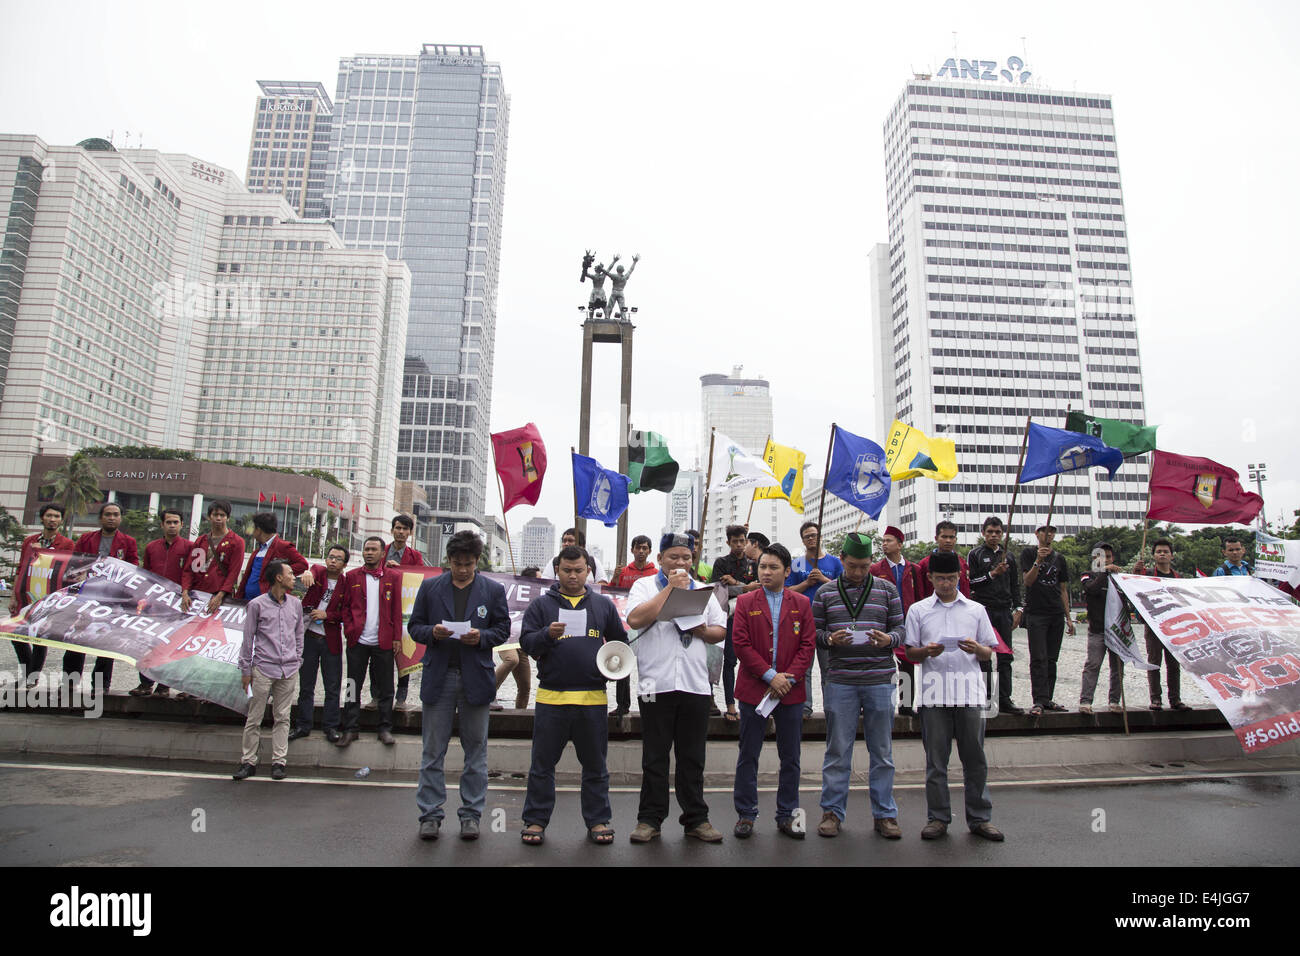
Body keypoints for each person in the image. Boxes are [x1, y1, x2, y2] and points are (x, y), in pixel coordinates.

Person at [518, 546, 627, 845]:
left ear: (589, 570)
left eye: (579, 570)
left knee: (595, 766)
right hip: (551, 698)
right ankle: (536, 820)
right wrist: (546, 636)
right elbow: (527, 643)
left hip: (592, 700)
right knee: (542, 766)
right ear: (557, 570)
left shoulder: (603, 605)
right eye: (567, 570)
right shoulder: (542, 606)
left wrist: (613, 667)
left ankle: (598, 820)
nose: (573, 576)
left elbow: (620, 642)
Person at [407, 531, 511, 841]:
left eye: (467, 564)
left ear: (477, 561)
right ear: (448, 561)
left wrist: (482, 638)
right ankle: (430, 814)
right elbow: (414, 627)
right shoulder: (430, 587)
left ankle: (471, 814)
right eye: (456, 563)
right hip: (440, 675)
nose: (462, 569)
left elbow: (503, 629)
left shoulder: (492, 590)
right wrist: (432, 633)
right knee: (432, 750)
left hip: (476, 677)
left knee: (476, 751)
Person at [625, 532, 728, 843]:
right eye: (674, 557)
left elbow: (720, 631)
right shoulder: (644, 586)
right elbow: (634, 619)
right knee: (655, 756)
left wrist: (701, 629)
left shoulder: (705, 592)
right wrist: (670, 590)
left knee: (692, 757)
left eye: (686, 557)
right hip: (655, 683)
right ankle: (649, 820)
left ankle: (696, 818)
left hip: (696, 685)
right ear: (660, 559)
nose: (681, 562)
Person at [904, 551, 1003, 841]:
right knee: (936, 761)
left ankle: (980, 818)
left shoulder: (975, 610)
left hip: (969, 692)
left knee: (975, 759)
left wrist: (977, 649)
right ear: (930, 578)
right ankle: (938, 818)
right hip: (934, 695)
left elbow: (990, 651)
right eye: (940, 578)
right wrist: (926, 652)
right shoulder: (919, 611)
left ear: (959, 578)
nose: (946, 583)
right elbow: (910, 652)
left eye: (950, 578)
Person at [814, 531, 906, 839]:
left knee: (882, 751)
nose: (858, 572)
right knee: (838, 750)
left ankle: (885, 814)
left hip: (880, 678)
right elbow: (813, 633)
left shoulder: (887, 590)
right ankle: (832, 812)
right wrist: (829, 639)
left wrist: (888, 639)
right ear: (842, 560)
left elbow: (900, 628)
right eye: (853, 566)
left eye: (864, 566)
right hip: (840, 679)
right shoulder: (825, 593)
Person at [731, 543, 816, 839]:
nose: (765, 572)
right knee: (748, 753)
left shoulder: (801, 603)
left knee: (790, 756)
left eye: (772, 568)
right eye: (762, 567)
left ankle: (787, 813)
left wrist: (787, 678)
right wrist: (770, 676)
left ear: (787, 571)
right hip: (755, 689)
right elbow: (740, 644)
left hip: (790, 692)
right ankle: (746, 813)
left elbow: (808, 645)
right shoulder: (745, 602)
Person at [232, 560, 305, 781]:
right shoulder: (257, 605)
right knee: (254, 717)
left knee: (283, 716)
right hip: (263, 667)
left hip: (288, 669)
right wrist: (246, 669)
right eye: (290, 574)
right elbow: (248, 639)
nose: (294, 577)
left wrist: (297, 658)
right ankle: (248, 761)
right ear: (278, 578)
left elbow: (299, 634)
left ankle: (279, 762)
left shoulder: (295, 604)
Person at [336, 537, 403, 748]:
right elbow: (345, 607)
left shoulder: (393, 577)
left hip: (383, 640)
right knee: (352, 685)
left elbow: (397, 610)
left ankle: (384, 728)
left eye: (374, 549)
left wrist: (396, 638)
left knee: (386, 687)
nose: (369, 553)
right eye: (366, 549)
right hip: (358, 640)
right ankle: (350, 728)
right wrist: (349, 629)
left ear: (383, 553)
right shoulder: (351, 576)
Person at [64, 502, 139, 686]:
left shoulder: (129, 542)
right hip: (86, 597)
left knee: (105, 643)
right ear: (100, 518)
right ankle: (69, 682)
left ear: (120, 518)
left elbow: (134, 570)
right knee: (75, 639)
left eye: (115, 514)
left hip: (112, 600)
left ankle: (101, 685)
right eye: (108, 514)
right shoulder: (86, 539)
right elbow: (74, 565)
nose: (111, 518)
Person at [8, 504, 73, 687]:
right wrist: (13, 596)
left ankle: (32, 677)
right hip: (26, 595)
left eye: (57, 516)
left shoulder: (66, 544)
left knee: (39, 637)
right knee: (17, 635)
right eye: (49, 516)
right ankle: (28, 672)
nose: (52, 519)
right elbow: (21, 569)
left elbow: (65, 571)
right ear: (42, 518)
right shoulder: (29, 541)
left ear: (61, 520)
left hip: (48, 597)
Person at [291, 544, 349, 742]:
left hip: (330, 640)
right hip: (309, 638)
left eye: (338, 558)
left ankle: (331, 726)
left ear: (345, 564)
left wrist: (328, 615)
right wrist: (307, 572)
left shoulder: (345, 584)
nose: (333, 561)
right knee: (306, 685)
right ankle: (303, 725)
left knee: (332, 686)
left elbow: (346, 613)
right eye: (331, 557)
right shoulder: (318, 573)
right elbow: (312, 569)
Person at [785, 520, 843, 717]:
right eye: (807, 536)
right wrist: (807, 583)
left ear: (820, 536)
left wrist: (824, 580)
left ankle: (831, 707)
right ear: (802, 540)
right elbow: (788, 590)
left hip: (828, 621)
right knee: (804, 667)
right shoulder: (797, 564)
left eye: (814, 535)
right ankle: (806, 707)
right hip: (803, 620)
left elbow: (844, 588)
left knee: (829, 668)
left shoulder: (834, 562)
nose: (811, 539)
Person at [966, 516, 1023, 714]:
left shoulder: (1009, 556)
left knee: (1006, 656)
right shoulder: (975, 554)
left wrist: (1018, 608)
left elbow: (1015, 585)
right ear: (983, 533)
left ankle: (1005, 698)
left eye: (997, 532)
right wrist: (992, 574)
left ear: (1002, 534)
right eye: (990, 532)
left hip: (1004, 611)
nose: (993, 535)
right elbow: (971, 582)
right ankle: (987, 697)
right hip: (984, 610)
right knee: (984, 657)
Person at [133, 508, 191, 697]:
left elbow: (191, 575)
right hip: (153, 605)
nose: (172, 525)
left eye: (176, 522)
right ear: (162, 525)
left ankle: (164, 685)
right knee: (148, 644)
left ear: (182, 525)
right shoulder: (151, 548)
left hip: (177, 607)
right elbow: (145, 575)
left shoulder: (190, 548)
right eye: (169, 522)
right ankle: (145, 683)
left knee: (172, 646)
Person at [1020, 523, 1075, 716]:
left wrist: (1069, 617)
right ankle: (1038, 700)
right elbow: (1027, 581)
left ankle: (1047, 698)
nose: (1048, 534)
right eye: (1044, 531)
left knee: (1051, 659)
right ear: (1037, 534)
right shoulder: (1028, 553)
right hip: (1036, 613)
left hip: (1055, 613)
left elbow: (1062, 589)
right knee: (1038, 658)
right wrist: (1038, 560)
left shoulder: (1059, 558)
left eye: (1052, 531)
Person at [871, 525, 925, 714]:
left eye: (889, 541)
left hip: (908, 621)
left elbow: (921, 596)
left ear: (900, 544)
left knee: (907, 662)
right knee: (880, 662)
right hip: (883, 622)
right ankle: (878, 704)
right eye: (883, 541)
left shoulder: (914, 569)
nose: (884, 544)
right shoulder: (876, 569)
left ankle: (907, 704)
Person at [712, 524, 761, 723]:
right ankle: (730, 704)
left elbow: (759, 589)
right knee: (729, 661)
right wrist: (744, 588)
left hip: (752, 617)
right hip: (730, 618)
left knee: (754, 660)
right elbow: (718, 592)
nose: (739, 545)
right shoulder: (721, 563)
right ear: (728, 542)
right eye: (735, 542)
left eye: (742, 541)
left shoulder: (754, 564)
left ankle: (754, 701)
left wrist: (736, 584)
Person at [1133, 539, 1189, 711]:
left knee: (1174, 664)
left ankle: (1175, 699)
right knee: (1154, 662)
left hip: (1173, 626)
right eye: (1159, 551)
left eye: (1165, 551)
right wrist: (1136, 571)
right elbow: (1135, 586)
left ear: (1172, 555)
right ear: (1154, 555)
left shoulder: (1178, 577)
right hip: (1154, 624)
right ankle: (1156, 699)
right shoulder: (1147, 574)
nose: (1162, 554)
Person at [609, 534, 658, 718]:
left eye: (645, 548)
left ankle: (649, 703)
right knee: (623, 663)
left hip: (648, 624)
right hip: (626, 625)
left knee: (648, 665)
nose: (641, 551)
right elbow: (611, 593)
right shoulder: (623, 572)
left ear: (650, 551)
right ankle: (623, 705)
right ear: (632, 550)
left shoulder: (655, 573)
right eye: (638, 548)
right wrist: (614, 579)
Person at [1079, 543, 1125, 715]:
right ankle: (1085, 701)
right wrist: (1104, 573)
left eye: (1109, 556)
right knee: (1093, 664)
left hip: (1117, 631)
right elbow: (1091, 589)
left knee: (1118, 668)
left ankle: (1114, 700)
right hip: (1097, 630)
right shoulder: (1087, 575)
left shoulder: (1120, 579)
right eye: (1101, 556)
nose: (1105, 559)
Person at [386, 514, 425, 710]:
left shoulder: (415, 556)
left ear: (410, 533)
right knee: (381, 656)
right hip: (384, 610)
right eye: (398, 528)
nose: (400, 532)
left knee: (405, 653)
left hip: (405, 611)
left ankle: (401, 697)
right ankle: (380, 696)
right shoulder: (381, 552)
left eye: (404, 529)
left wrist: (400, 569)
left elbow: (420, 579)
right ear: (392, 529)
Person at [180, 499, 245, 617]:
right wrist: (185, 592)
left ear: (228, 518)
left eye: (222, 515)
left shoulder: (237, 542)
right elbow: (190, 569)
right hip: (197, 594)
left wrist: (220, 596)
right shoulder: (201, 541)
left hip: (218, 596)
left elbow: (233, 573)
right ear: (209, 517)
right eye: (215, 515)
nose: (219, 518)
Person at [235, 512, 312, 600]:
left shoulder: (283, 546)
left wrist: (279, 572)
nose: (252, 532)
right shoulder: (258, 550)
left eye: (254, 528)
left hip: (269, 602)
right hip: (246, 601)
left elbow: (303, 564)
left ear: (259, 530)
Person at [494, 567, 537, 711]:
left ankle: (520, 713)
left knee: (525, 686)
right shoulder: (512, 592)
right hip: (506, 639)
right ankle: (487, 693)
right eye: (539, 579)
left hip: (522, 644)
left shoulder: (539, 599)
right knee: (512, 660)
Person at [917, 520, 971, 599]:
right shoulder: (924, 564)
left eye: (951, 537)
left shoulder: (962, 563)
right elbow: (920, 591)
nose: (948, 541)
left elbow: (966, 589)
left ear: (955, 539)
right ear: (936, 538)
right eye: (944, 537)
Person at [604, 253, 639, 319]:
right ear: (623, 270)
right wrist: (634, 262)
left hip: (614, 291)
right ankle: (623, 317)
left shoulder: (615, 276)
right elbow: (631, 270)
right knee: (622, 307)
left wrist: (614, 261)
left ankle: (607, 316)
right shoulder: (625, 277)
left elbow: (606, 272)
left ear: (617, 270)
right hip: (621, 292)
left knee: (610, 306)